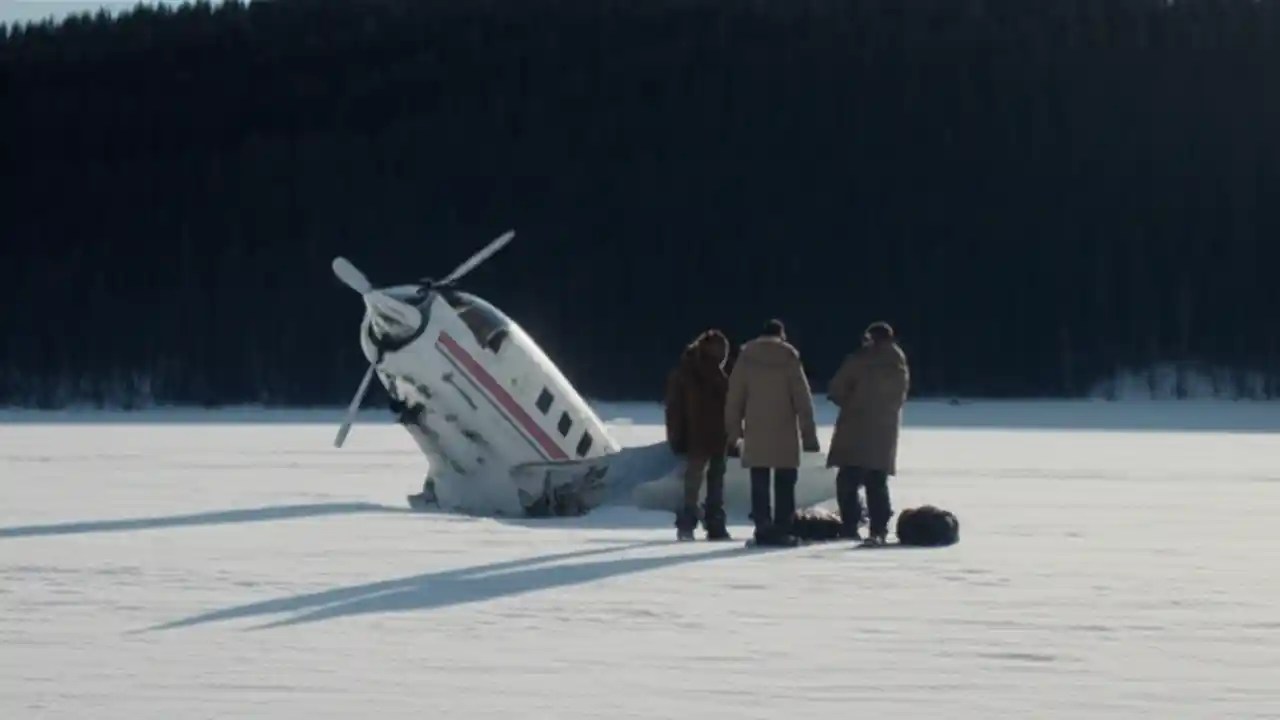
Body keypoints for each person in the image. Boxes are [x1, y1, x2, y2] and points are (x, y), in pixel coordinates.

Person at [725, 319, 820, 546]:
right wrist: (808, 435)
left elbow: (734, 399)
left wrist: (734, 434)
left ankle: (763, 526)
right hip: (785, 433)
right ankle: (783, 527)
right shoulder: (789, 358)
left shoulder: (746, 358)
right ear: (781, 334)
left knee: (759, 481)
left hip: (756, 431)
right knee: (785, 482)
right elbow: (803, 399)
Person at [825, 321, 910, 545]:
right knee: (877, 481)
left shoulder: (858, 360)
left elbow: (836, 390)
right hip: (883, 432)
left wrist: (851, 402)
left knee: (847, 480)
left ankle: (850, 526)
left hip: (854, 427)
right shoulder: (898, 363)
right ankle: (878, 529)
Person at [663, 329, 733, 541]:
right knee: (715, 480)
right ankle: (714, 523)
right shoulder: (717, 375)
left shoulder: (684, 372)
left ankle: (688, 523)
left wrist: (676, 436)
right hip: (716, 436)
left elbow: (674, 408)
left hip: (694, 436)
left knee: (692, 482)